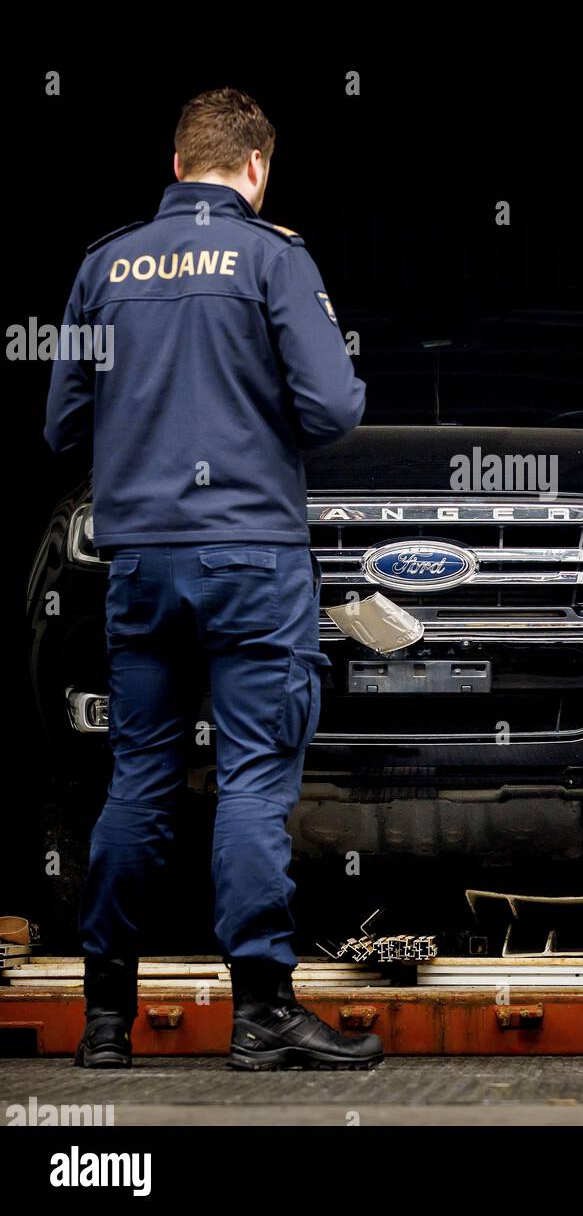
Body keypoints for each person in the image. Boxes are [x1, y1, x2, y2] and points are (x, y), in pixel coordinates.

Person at [44, 87, 381, 1071]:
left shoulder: (105, 264)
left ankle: (106, 1020)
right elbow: (333, 407)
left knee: (139, 777)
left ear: (178, 160)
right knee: (251, 780)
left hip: (140, 562)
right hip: (251, 560)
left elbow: (60, 427)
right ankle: (264, 1013)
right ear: (256, 167)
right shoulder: (275, 257)